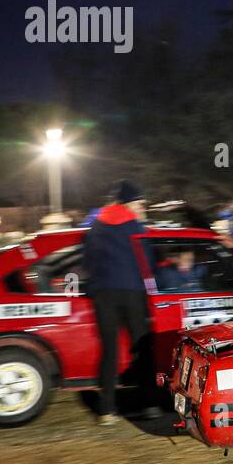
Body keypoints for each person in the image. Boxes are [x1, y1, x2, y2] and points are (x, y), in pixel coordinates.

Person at [83, 179, 156, 426]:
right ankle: (149, 405)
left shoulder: (96, 226)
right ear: (130, 202)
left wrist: (94, 288)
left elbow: (89, 261)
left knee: (109, 351)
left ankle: (106, 410)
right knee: (141, 347)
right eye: (141, 203)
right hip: (132, 292)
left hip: (104, 294)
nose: (142, 208)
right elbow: (147, 262)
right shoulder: (135, 226)